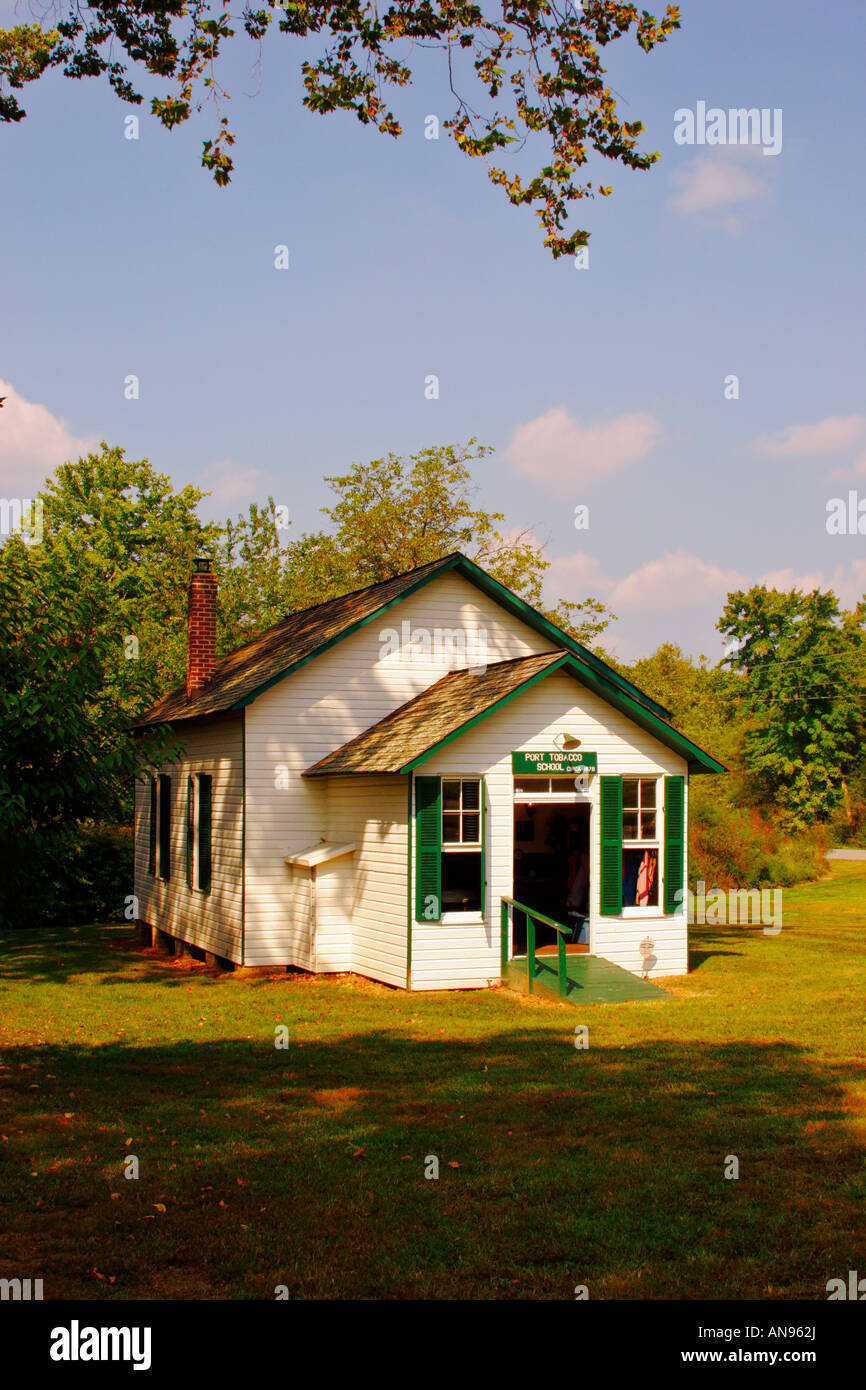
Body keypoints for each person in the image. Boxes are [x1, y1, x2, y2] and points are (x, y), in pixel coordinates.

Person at [566, 837, 589, 944]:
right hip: (579, 878)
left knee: (578, 889)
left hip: (581, 879)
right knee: (577, 889)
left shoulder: (583, 857)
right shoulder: (580, 857)